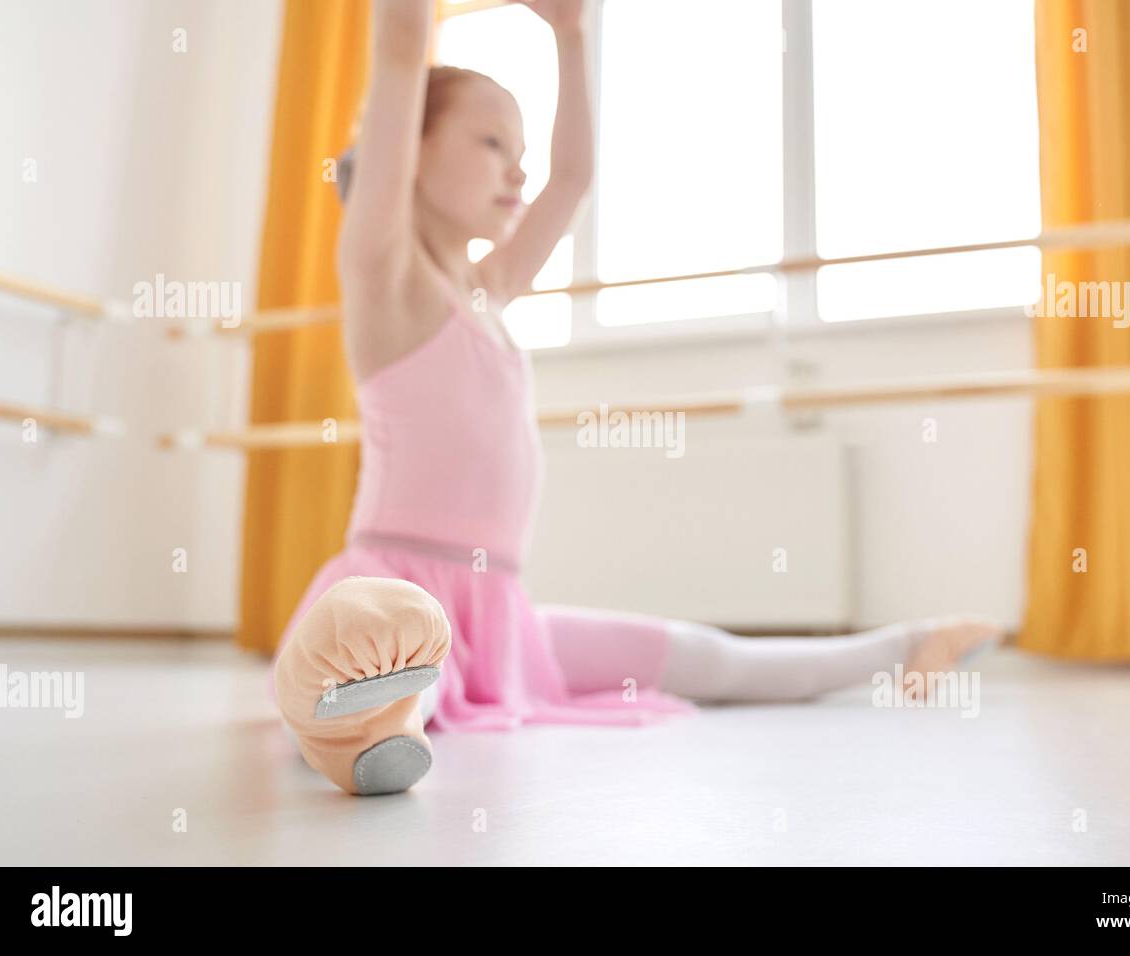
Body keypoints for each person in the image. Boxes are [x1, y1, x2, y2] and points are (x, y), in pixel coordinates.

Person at [272, 0, 1003, 796]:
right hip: (389, 593)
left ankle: (907, 645)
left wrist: (570, 32)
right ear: (405, 147)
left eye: (519, 150)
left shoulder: (489, 289)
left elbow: (574, 176)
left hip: (499, 614)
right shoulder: (388, 277)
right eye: (492, 144)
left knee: (707, 656)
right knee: (394, 668)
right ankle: (361, 729)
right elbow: (400, 43)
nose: (518, 170)